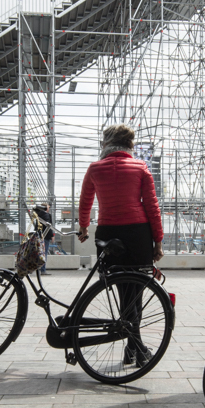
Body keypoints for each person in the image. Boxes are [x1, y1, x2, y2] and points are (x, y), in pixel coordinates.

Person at [77, 123, 164, 366]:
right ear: (130, 145)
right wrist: (158, 241)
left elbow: (85, 202)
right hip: (138, 234)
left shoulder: (94, 168)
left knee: (122, 290)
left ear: (105, 144)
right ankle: (137, 347)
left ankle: (132, 347)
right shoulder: (140, 167)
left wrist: (83, 228)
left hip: (108, 233)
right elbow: (152, 207)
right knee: (135, 290)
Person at [34, 202, 54, 275]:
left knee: (39, 253)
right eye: (48, 207)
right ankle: (43, 270)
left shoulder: (38, 215)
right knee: (44, 253)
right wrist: (52, 235)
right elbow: (48, 226)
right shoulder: (46, 215)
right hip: (45, 236)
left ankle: (37, 269)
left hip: (39, 235)